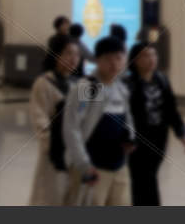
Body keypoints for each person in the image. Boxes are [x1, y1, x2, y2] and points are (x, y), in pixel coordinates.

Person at [62, 36, 135, 205]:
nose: (114, 64)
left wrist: (130, 137)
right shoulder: (89, 86)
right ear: (97, 61)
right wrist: (83, 164)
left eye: (118, 58)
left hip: (118, 167)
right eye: (108, 59)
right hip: (93, 168)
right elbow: (71, 128)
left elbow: (128, 118)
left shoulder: (121, 88)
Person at [125, 42, 185, 206]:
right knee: (142, 176)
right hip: (138, 139)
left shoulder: (162, 80)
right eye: (145, 55)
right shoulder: (128, 83)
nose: (151, 59)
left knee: (150, 174)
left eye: (153, 54)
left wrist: (181, 133)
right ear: (135, 60)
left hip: (159, 137)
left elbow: (171, 109)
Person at [29, 40, 79, 205]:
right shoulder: (43, 83)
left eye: (76, 54)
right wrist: (53, 146)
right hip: (53, 154)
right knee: (49, 195)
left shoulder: (76, 84)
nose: (73, 58)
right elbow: (40, 118)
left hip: (75, 153)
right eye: (68, 53)